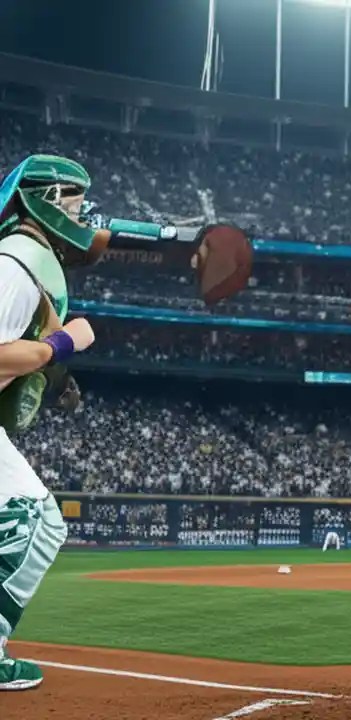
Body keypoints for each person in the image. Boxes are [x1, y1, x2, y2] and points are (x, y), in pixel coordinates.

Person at [0, 154, 105, 691]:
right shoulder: (17, 259)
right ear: (48, 201)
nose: (84, 216)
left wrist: (56, 377)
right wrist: (63, 344)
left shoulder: (26, 259)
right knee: (37, 520)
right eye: (77, 202)